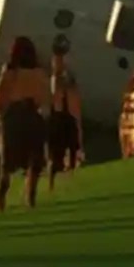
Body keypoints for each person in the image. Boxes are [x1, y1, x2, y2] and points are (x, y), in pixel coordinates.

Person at [0, 36, 51, 212]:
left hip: (13, 117)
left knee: (7, 165)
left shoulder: (9, 72)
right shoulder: (39, 73)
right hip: (32, 115)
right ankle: (30, 198)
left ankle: (0, 201)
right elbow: (45, 100)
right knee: (34, 161)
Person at [46, 37, 84, 191]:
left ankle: (67, 177)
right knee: (56, 153)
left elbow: (74, 104)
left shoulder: (65, 80)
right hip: (58, 117)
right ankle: (53, 182)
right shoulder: (55, 80)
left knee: (70, 149)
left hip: (64, 116)